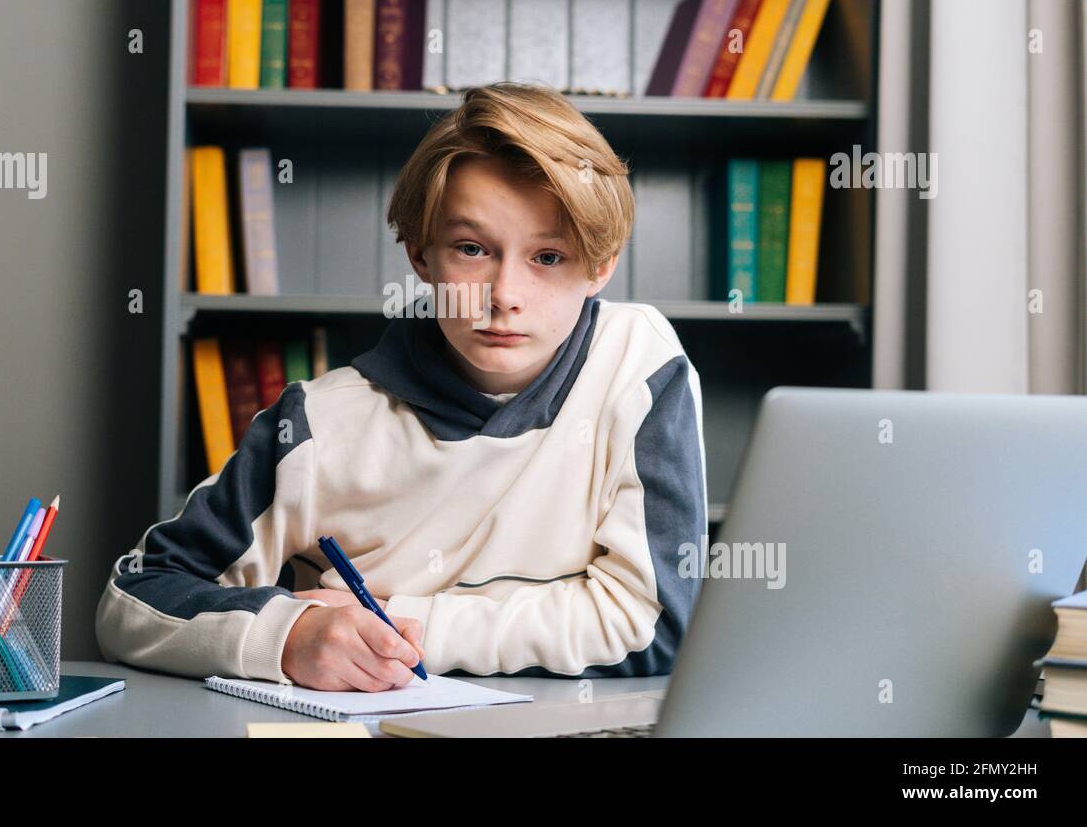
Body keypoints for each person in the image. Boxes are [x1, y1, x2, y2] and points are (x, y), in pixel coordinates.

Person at [95, 81, 708, 692]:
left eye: (548, 257)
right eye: (471, 249)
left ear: (601, 265)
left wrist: (404, 626)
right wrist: (290, 634)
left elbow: (654, 625)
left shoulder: (638, 364)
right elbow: (132, 599)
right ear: (420, 254)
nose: (504, 296)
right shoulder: (318, 422)